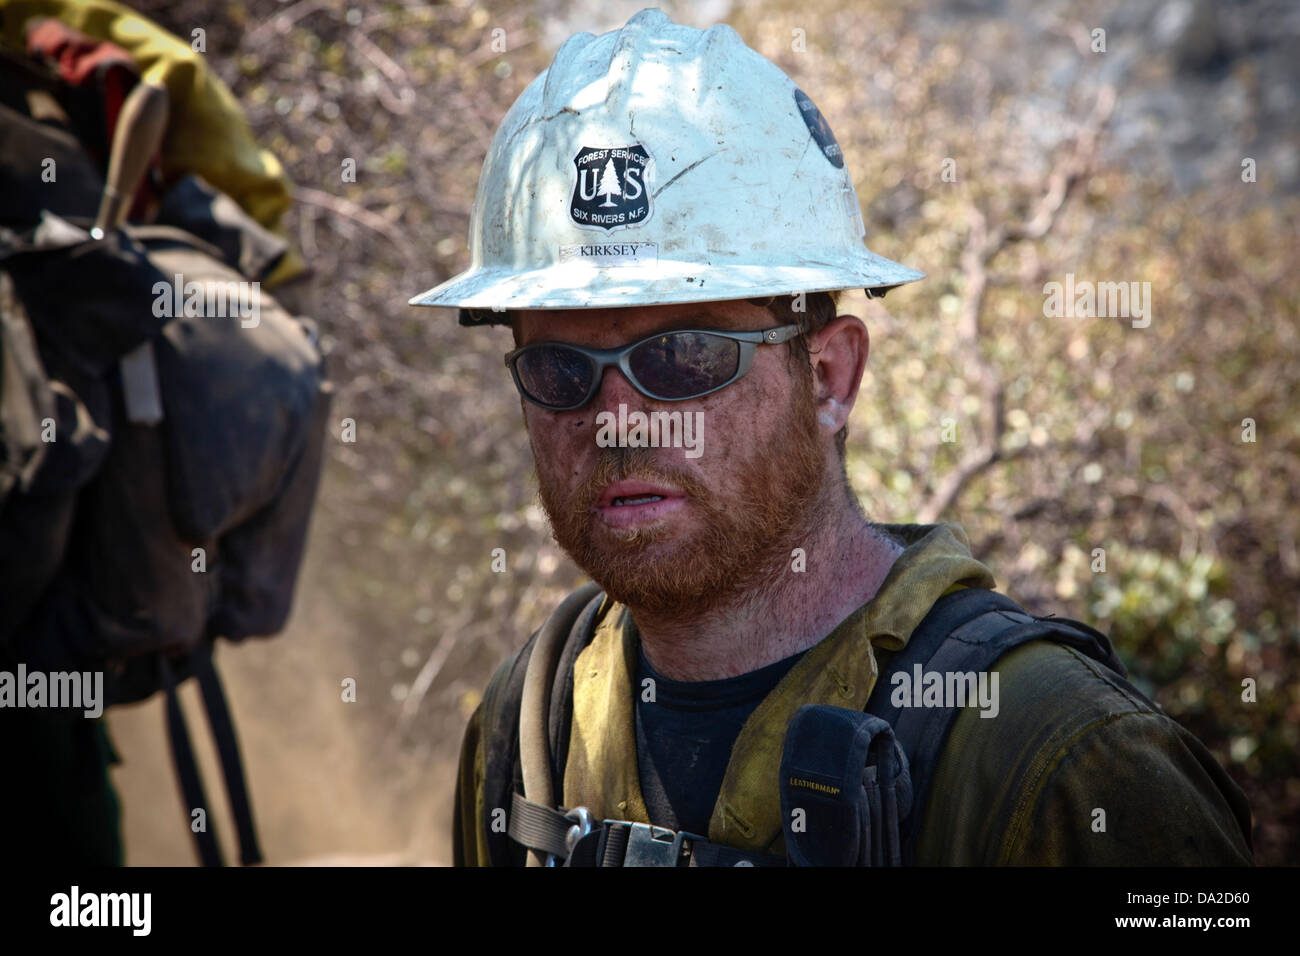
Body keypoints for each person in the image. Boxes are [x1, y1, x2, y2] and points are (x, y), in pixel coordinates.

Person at [411, 8, 1253, 866]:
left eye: (684, 356)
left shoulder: (1061, 761)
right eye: (559, 368)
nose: (618, 418)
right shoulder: (527, 736)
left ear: (828, 378)